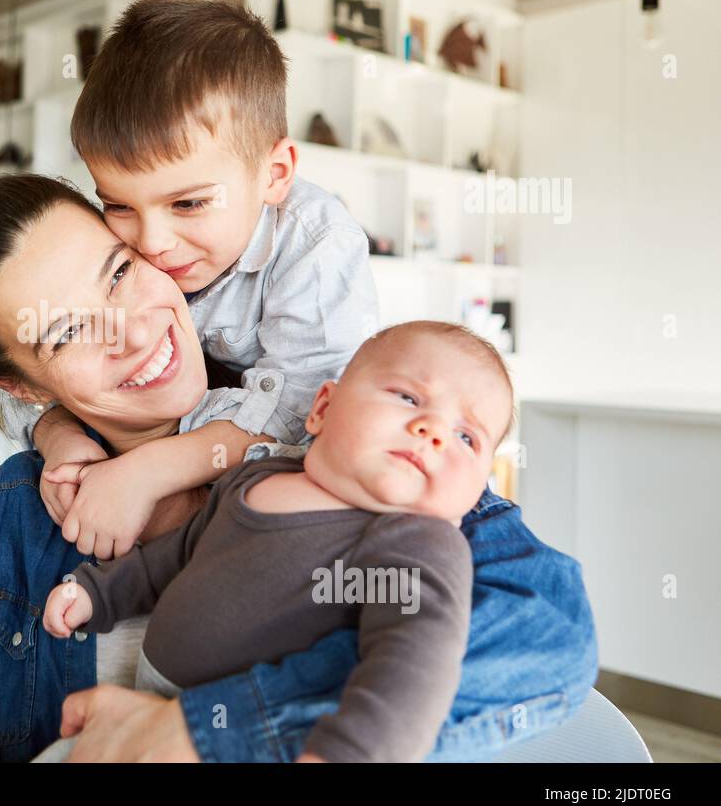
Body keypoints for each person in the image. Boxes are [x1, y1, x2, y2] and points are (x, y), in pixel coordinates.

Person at [0, 174, 597, 763]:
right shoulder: (16, 516)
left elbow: (549, 636)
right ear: (26, 387)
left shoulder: (366, 460)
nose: (130, 331)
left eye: (121, 273)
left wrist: (203, 732)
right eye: (68, 332)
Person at [39, 321, 513, 762]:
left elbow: (413, 666)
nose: (432, 433)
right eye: (409, 398)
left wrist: (346, 752)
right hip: (146, 710)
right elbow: (178, 556)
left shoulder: (417, 543)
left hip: (248, 742)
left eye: (467, 437)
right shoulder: (255, 476)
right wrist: (98, 592)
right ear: (323, 409)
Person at [19, 0, 380, 562]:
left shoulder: (316, 242)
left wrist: (146, 473)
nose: (152, 242)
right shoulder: (123, 239)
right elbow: (29, 358)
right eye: (116, 204)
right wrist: (58, 437)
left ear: (274, 173)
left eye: (187, 203)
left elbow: (302, 412)